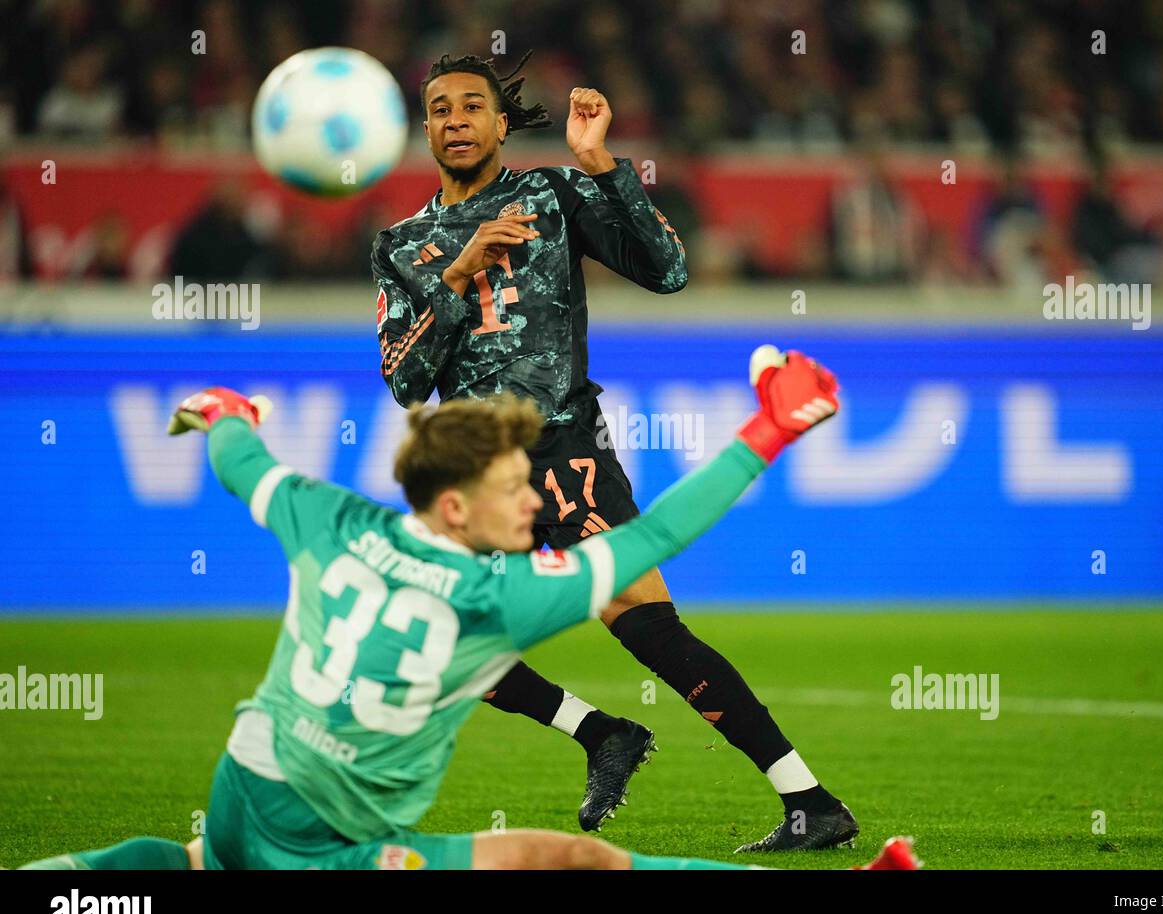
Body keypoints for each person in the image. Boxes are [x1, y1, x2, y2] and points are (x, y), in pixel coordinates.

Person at [19, 349, 917, 871]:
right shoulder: (504, 597)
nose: (535, 505)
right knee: (576, 863)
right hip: (330, 842)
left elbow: (241, 460)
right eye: (513, 489)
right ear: (455, 504)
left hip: (242, 790)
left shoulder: (325, 517)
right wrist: (770, 429)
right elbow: (658, 535)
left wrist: (223, 413)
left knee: (178, 868)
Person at [373, 50, 857, 850]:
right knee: (441, 635)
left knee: (644, 621)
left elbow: (668, 270)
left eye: (470, 107)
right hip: (474, 471)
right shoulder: (404, 243)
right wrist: (457, 274)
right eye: (439, 109)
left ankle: (807, 799)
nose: (455, 120)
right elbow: (403, 379)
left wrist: (601, 165)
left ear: (501, 123)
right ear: (425, 127)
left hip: (563, 441)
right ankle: (601, 733)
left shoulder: (551, 195)